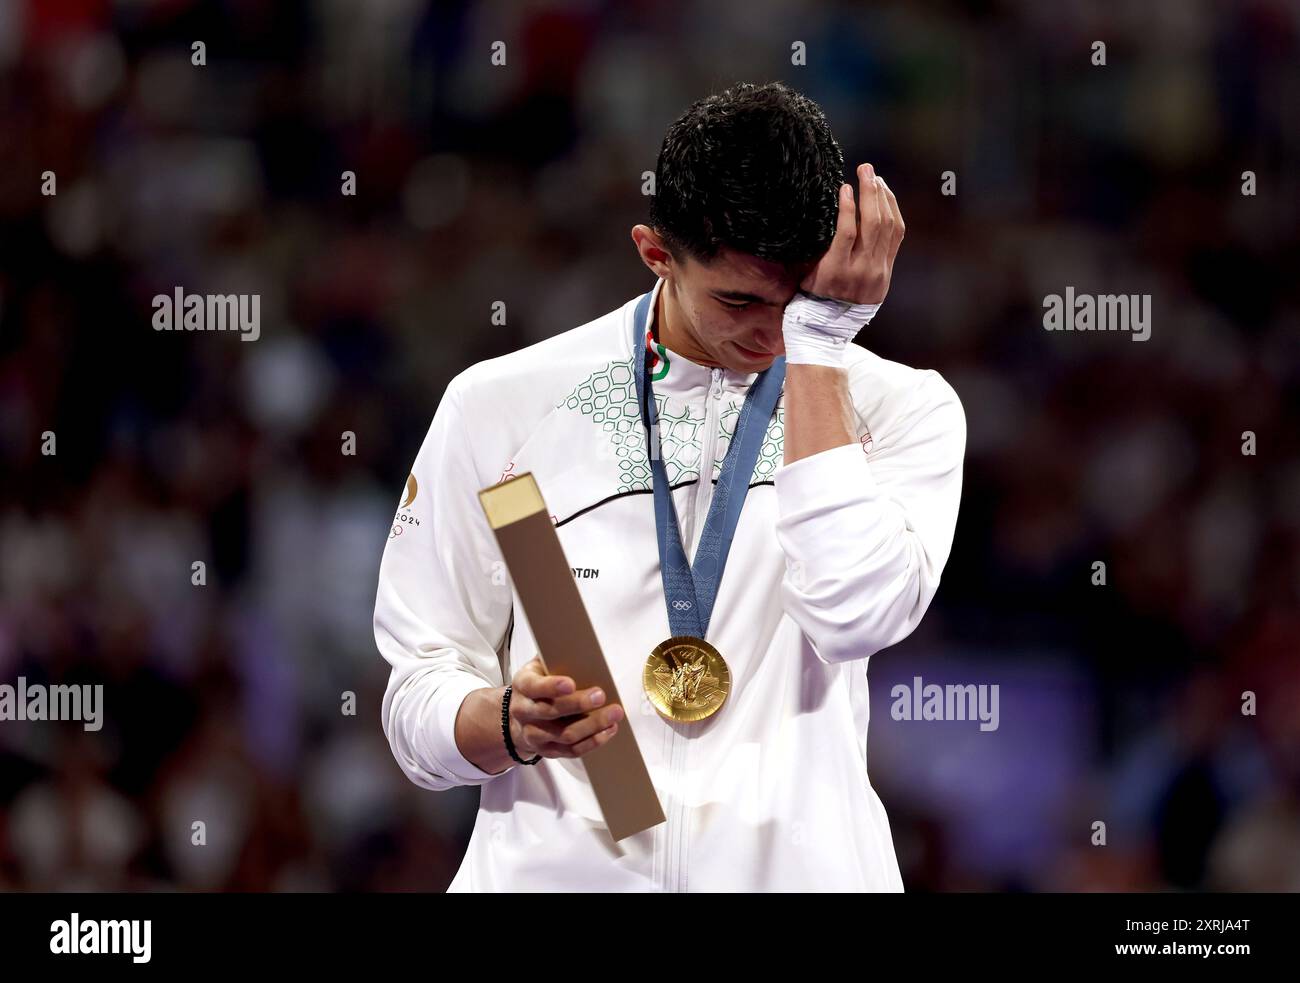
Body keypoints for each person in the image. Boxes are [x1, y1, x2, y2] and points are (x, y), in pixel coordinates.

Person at [373, 81, 965, 891]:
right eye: (739, 299)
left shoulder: (901, 409)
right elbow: (418, 693)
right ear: (655, 253)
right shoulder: (502, 407)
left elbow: (855, 612)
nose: (772, 331)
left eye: (798, 298)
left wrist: (823, 346)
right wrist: (503, 723)